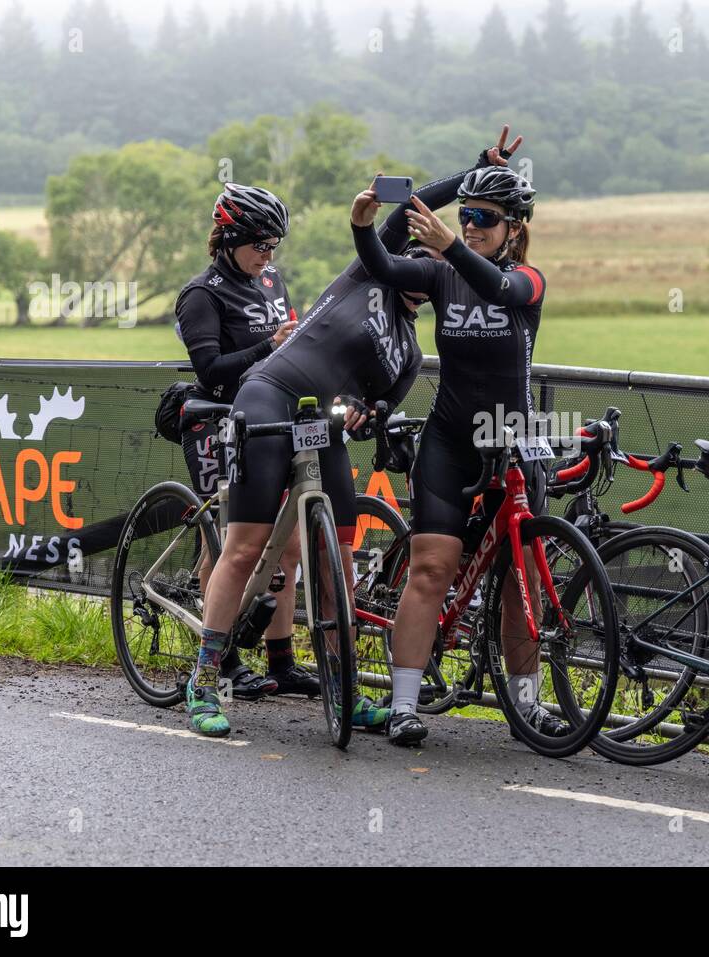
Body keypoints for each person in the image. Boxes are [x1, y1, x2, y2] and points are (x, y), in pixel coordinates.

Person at [184, 129, 522, 738]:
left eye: (437, 266)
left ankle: (342, 688)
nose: (428, 268)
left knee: (335, 557)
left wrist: (368, 414)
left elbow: (375, 410)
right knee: (242, 548)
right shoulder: (367, 277)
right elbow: (405, 208)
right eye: (425, 258)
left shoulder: (410, 356)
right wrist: (476, 169)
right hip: (270, 396)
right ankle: (206, 682)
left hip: (322, 427)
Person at [349, 152, 555, 748]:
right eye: (465, 216)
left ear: (514, 228)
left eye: (484, 218)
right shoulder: (441, 273)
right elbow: (382, 266)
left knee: (522, 584)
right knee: (431, 570)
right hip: (451, 439)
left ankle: (527, 705)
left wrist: (450, 245)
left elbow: (500, 286)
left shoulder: (527, 279)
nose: (469, 226)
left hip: (511, 442)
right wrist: (364, 223)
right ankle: (405, 704)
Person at [175, 182, 298, 702]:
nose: (266, 255)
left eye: (273, 246)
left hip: (267, 419)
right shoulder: (201, 295)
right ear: (226, 239)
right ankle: (221, 663)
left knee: (287, 548)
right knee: (226, 546)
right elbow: (211, 370)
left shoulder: (269, 280)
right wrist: (267, 345)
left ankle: (282, 662)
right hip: (216, 421)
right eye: (258, 245)